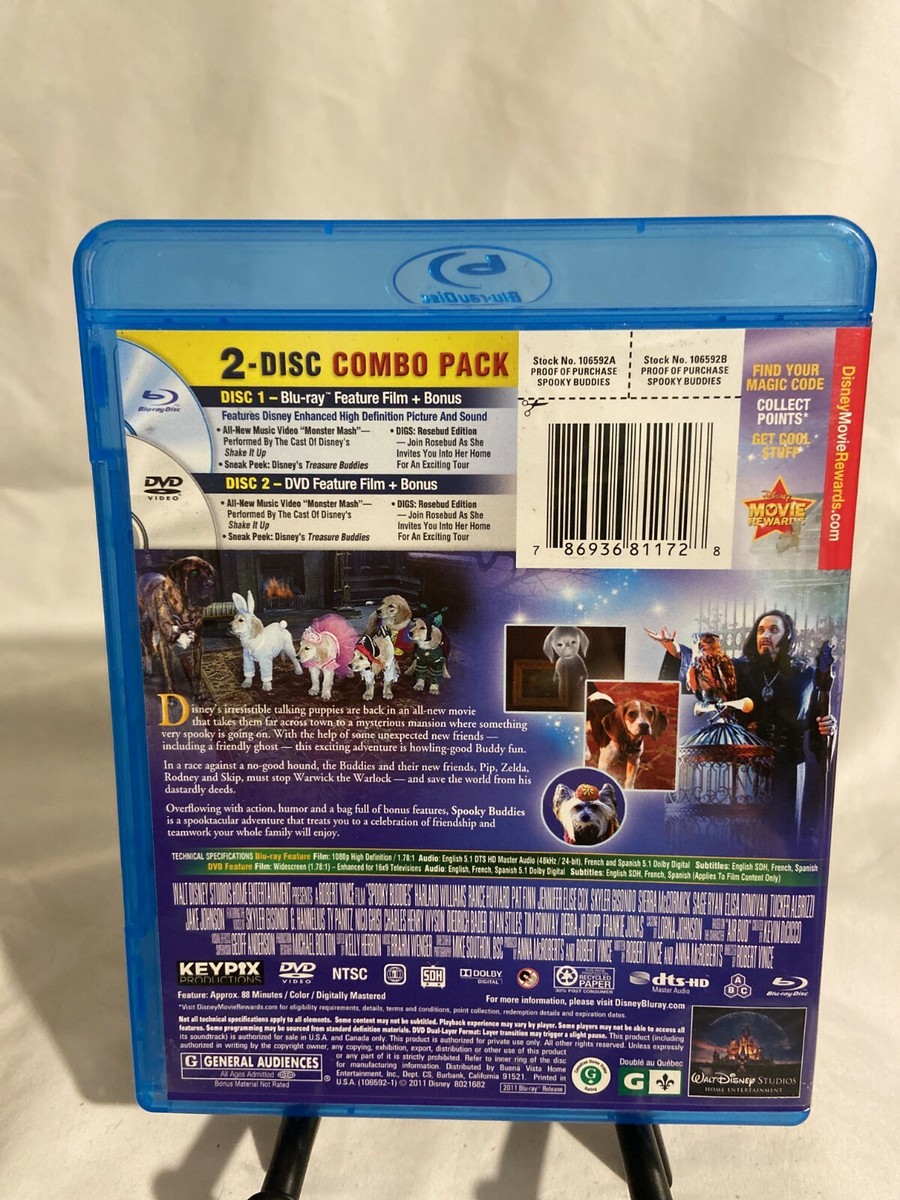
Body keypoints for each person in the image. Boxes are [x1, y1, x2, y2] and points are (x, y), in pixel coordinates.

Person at [646, 612, 836, 851]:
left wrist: (828, 725)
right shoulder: (739, 669)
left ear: (787, 635)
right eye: (761, 630)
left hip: (788, 765)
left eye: (773, 630)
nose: (765, 635)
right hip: (746, 761)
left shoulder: (805, 675)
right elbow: (706, 672)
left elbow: (816, 719)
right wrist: (674, 650)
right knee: (743, 833)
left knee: (784, 832)